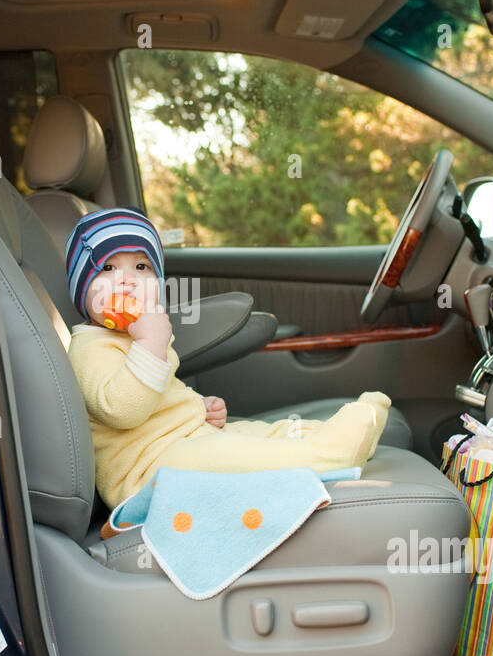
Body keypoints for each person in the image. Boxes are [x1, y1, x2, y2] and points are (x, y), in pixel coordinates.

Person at [64, 208, 392, 516]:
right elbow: (123, 410)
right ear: (82, 289)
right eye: (108, 268)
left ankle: (328, 430)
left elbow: (161, 395)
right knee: (244, 457)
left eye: (142, 267)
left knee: (257, 433)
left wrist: (194, 407)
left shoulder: (139, 333)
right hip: (147, 473)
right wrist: (151, 344)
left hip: (181, 441)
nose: (127, 280)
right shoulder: (90, 347)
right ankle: (334, 454)